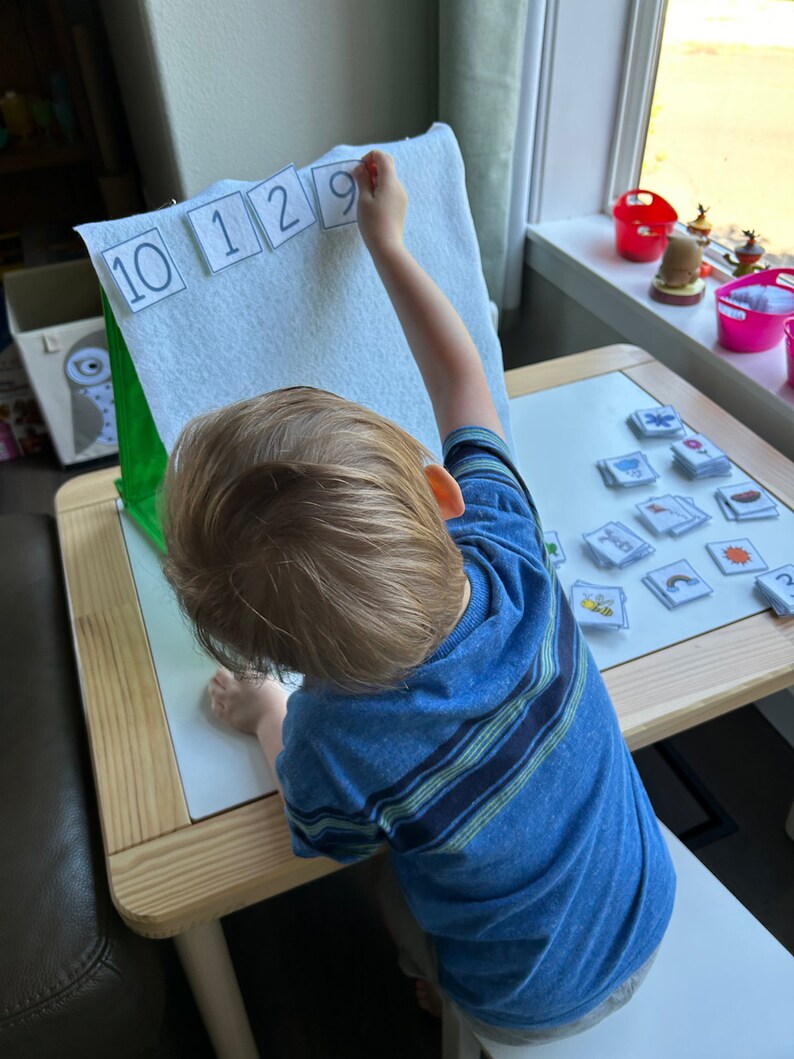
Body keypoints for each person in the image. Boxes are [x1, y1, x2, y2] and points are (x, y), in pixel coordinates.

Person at [162, 150, 676, 1044]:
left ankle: (433, 985)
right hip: (650, 896)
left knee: (385, 880)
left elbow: (319, 824)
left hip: (522, 1006)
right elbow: (461, 380)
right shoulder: (508, 544)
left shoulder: (329, 736)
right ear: (444, 493)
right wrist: (388, 243)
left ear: (273, 648)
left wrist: (266, 713)